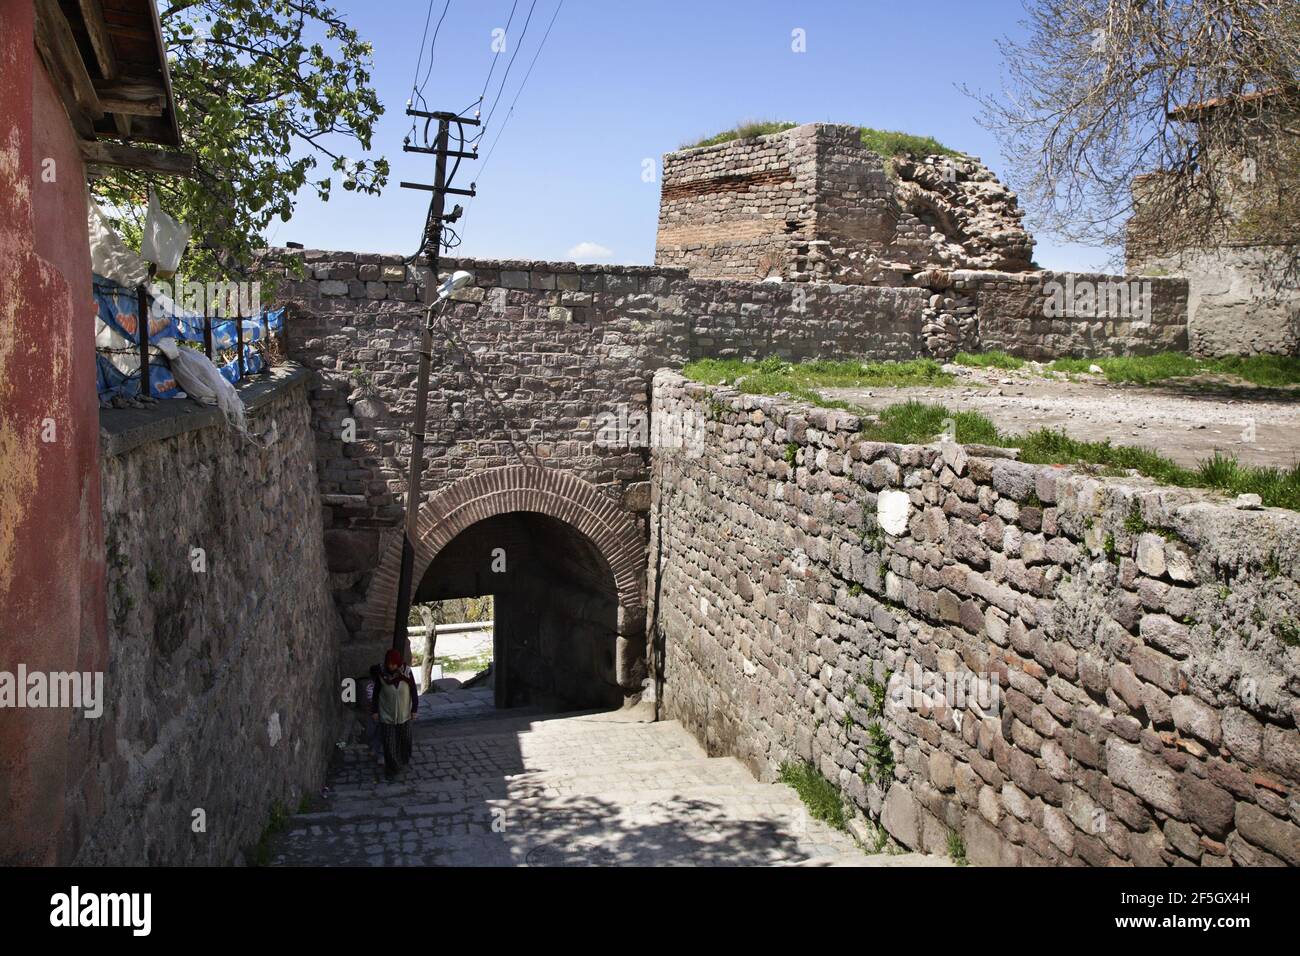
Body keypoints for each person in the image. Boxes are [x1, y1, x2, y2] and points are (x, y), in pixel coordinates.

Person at [371, 649, 418, 779]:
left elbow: (414, 691)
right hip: (387, 715)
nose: (392, 666)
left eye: (394, 663)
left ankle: (402, 761)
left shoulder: (407, 673)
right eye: (389, 663)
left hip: (405, 715)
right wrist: (374, 711)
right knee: (389, 743)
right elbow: (375, 694)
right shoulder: (381, 674)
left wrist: (414, 709)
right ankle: (392, 768)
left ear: (398, 663)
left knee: (405, 740)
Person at [364, 665, 384, 781]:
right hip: (373, 713)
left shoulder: (384, 685)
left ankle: (380, 754)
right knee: (372, 732)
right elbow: (370, 700)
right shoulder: (370, 686)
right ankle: (374, 749)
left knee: (381, 733)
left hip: (383, 713)